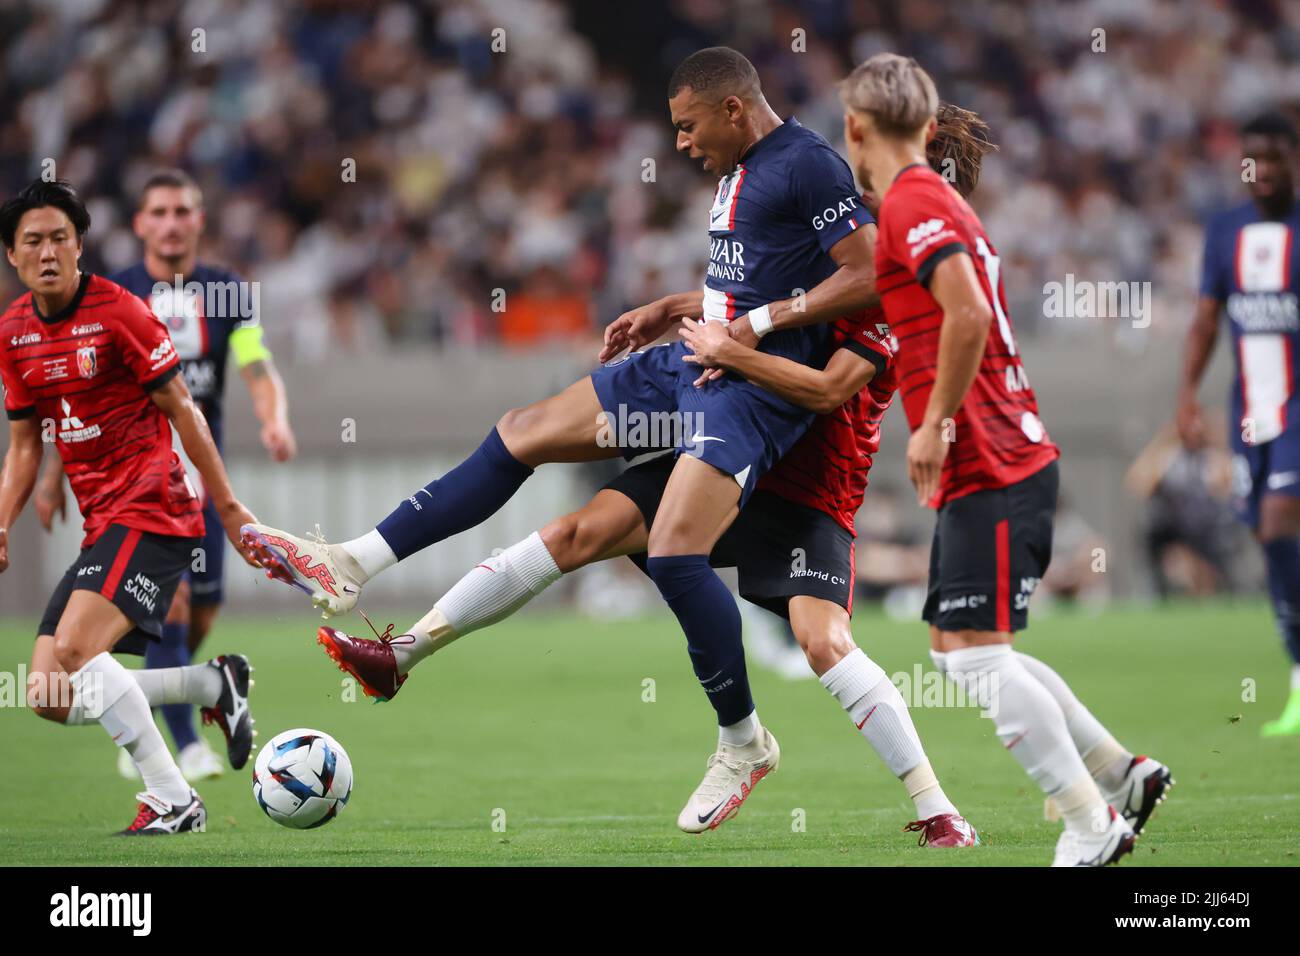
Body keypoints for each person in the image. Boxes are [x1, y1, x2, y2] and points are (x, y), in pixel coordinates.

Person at [306, 106, 996, 846]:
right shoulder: (843, 230)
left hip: (805, 484)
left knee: (822, 640)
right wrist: (678, 307)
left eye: (879, 163)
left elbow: (826, 389)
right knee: (576, 531)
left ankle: (935, 807)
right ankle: (401, 652)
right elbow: (760, 298)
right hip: (727, 436)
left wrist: (734, 350)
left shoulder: (900, 283)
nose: (859, 169)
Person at [242, 46, 880, 824]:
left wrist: (751, 325)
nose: (679, 144)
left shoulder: (808, 164)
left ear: (734, 108)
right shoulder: (741, 167)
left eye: (687, 127)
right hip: (693, 360)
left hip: (743, 388)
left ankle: (744, 739)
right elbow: (761, 272)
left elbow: (869, 273)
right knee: (524, 431)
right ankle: (353, 562)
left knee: (674, 555)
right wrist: (677, 304)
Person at [839, 53, 1171, 866]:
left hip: (989, 458)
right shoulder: (933, 200)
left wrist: (933, 424)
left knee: (977, 656)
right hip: (1001, 456)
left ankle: (1092, 822)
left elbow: (967, 312)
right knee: (960, 651)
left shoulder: (913, 201)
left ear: (856, 128)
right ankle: (1118, 775)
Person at [0, 179, 261, 835]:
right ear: (12, 255)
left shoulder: (121, 312)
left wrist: (226, 506)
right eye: (34, 240)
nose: (49, 251)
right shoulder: (12, 334)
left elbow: (184, 409)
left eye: (61, 237)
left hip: (155, 507)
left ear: (80, 244)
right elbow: (25, 444)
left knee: (76, 650)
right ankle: (209, 685)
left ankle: (174, 801)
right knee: (48, 695)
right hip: (103, 524)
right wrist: (1, 520)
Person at [1178, 111, 1300, 737]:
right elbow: (1205, 320)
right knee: (1266, 533)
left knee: (1282, 521)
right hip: (1251, 413)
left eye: (1277, 159)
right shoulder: (1226, 232)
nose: (1265, 172)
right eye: (1255, 160)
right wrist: (1187, 398)